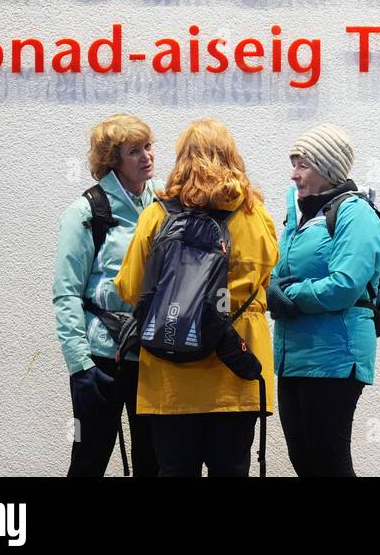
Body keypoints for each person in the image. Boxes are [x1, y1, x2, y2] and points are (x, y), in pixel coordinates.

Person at [114, 119, 278, 477]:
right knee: (232, 470)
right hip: (236, 369)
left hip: (170, 373)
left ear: (182, 159)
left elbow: (129, 288)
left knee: (173, 470)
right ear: (232, 156)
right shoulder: (255, 216)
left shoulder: (156, 215)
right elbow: (265, 279)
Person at [265, 123, 380, 476]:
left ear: (328, 167)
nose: (294, 174)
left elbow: (345, 284)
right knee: (304, 459)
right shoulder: (302, 216)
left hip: (335, 356)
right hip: (294, 356)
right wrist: (272, 287)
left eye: (303, 164)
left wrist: (288, 294)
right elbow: (282, 269)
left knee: (328, 461)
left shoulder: (354, 213)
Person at [53, 113, 160, 477]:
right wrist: (79, 365)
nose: (147, 156)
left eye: (148, 146)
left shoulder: (163, 202)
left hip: (152, 354)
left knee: (155, 462)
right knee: (89, 459)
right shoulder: (86, 211)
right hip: (101, 357)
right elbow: (66, 292)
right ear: (113, 160)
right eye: (135, 151)